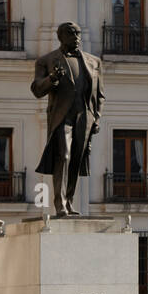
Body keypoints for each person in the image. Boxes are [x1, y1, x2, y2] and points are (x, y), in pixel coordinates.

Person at [31, 22, 105, 217]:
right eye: (71, 33)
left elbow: (100, 95)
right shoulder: (46, 61)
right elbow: (37, 89)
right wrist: (52, 79)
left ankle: (69, 201)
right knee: (63, 156)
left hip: (84, 116)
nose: (76, 37)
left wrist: (97, 118)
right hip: (62, 116)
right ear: (61, 37)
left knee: (76, 160)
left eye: (78, 33)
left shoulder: (94, 62)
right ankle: (60, 204)